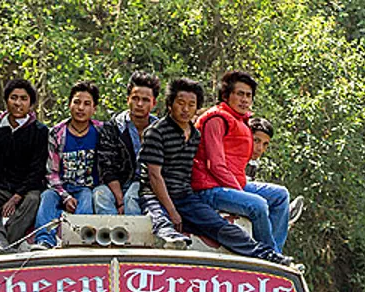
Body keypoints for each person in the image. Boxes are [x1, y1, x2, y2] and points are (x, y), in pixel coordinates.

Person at [138, 77, 290, 264]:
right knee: (163, 224)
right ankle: (172, 243)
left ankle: (268, 254)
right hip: (158, 195)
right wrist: (172, 210)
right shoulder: (157, 132)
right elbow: (154, 176)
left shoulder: (194, 135)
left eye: (191, 105)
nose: (185, 109)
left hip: (185, 196)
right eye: (180, 103)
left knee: (222, 228)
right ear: (170, 104)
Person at [191, 71, 292, 253]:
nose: (245, 100)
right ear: (226, 96)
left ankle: (276, 250)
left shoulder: (240, 120)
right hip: (210, 189)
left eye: (248, 95)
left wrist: (240, 189)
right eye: (240, 94)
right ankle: (268, 253)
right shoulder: (216, 119)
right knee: (258, 204)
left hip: (232, 184)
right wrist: (241, 193)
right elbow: (215, 165)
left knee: (280, 195)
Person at [0, 79, 48, 254]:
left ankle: (9, 243)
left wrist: (17, 196)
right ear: (6, 100)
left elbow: (38, 168)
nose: (18, 103)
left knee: (34, 201)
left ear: (31, 103)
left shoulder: (39, 131)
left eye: (23, 99)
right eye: (14, 98)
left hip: (27, 189)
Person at [33, 82, 104, 248]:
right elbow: (51, 173)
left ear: (94, 108)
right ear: (69, 104)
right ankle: (44, 240)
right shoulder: (57, 133)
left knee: (86, 198)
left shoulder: (101, 131)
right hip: (60, 187)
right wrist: (65, 196)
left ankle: (78, 242)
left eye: (87, 104)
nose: (81, 108)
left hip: (86, 187)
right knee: (47, 197)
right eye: (76, 102)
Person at [93, 72, 160, 215]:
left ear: (154, 103)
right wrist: (119, 200)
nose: (139, 104)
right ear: (128, 99)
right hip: (118, 184)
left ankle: (135, 231)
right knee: (100, 195)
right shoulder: (113, 127)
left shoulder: (160, 129)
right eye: (135, 98)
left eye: (145, 100)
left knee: (132, 199)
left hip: (147, 185)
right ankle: (112, 229)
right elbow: (107, 167)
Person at [246, 116, 304, 224]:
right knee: (281, 194)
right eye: (256, 141)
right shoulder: (235, 154)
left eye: (265, 144)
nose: (260, 148)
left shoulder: (253, 162)